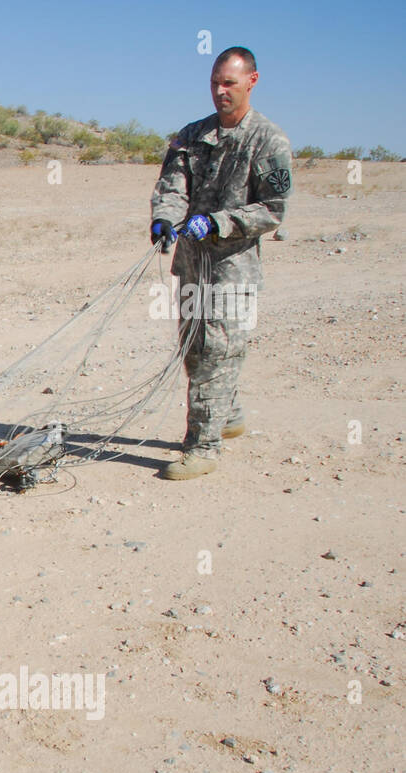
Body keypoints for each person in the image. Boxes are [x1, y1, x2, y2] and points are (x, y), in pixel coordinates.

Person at [150, 45, 292, 480]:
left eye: (229, 83)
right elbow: (172, 186)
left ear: (252, 80)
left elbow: (272, 209)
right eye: (214, 82)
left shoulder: (269, 140)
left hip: (233, 270)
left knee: (217, 352)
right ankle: (227, 416)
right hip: (192, 266)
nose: (220, 91)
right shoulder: (191, 134)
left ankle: (203, 448)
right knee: (195, 349)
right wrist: (164, 219)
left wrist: (217, 222)